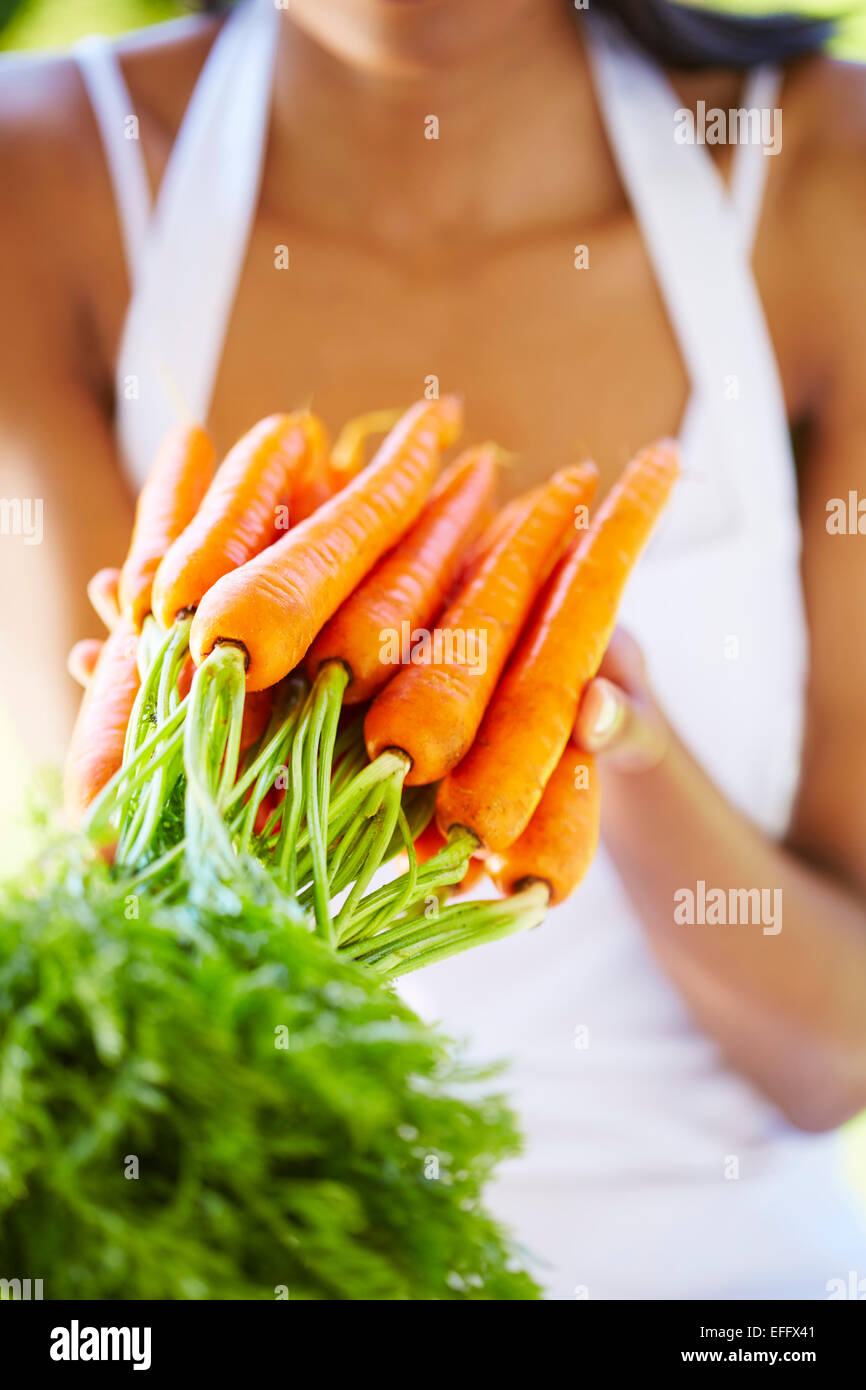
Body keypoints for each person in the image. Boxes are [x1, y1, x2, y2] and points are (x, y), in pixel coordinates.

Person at [1, 0, 866, 1298]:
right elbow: (125, 932)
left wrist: (599, 725)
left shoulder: (821, 168)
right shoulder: (47, 167)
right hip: (257, 1267)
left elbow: (836, 1052)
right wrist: (202, 708)